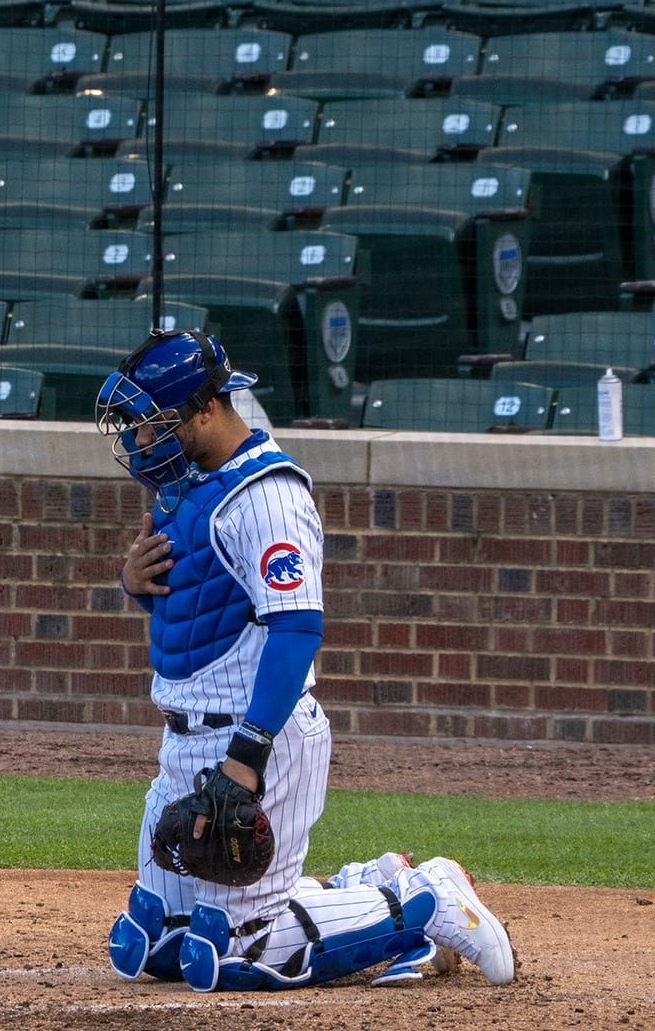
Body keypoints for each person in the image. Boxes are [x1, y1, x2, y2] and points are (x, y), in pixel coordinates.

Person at [95, 329, 516, 993]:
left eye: (155, 426)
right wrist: (132, 583)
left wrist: (247, 757)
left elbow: (296, 632)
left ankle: (424, 899)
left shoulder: (268, 495)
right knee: (155, 944)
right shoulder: (188, 487)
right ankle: (362, 883)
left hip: (257, 737)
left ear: (206, 409)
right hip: (183, 744)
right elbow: (201, 625)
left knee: (237, 953)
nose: (143, 443)